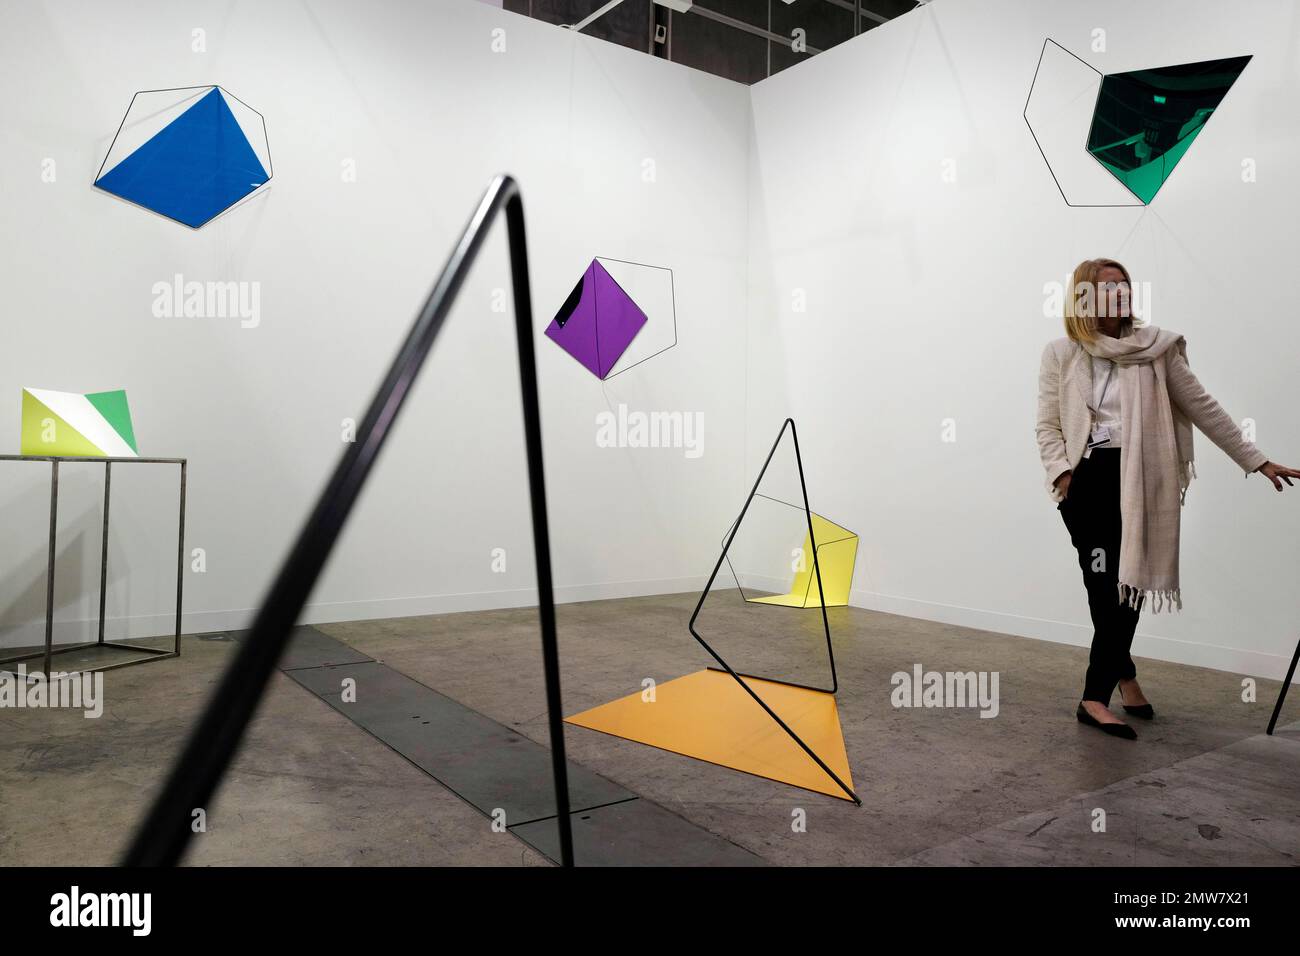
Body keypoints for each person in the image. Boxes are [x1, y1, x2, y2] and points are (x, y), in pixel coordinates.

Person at [1036, 258, 1299, 739]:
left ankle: (1106, 688)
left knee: (1130, 585)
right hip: (1087, 483)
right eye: (1106, 286)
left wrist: (1257, 460)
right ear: (1083, 297)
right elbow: (1048, 424)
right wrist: (1064, 475)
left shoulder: (1157, 349)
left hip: (1145, 479)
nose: (1119, 292)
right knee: (1103, 588)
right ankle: (1110, 688)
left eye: (1123, 285)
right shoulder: (1062, 353)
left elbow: (1204, 408)